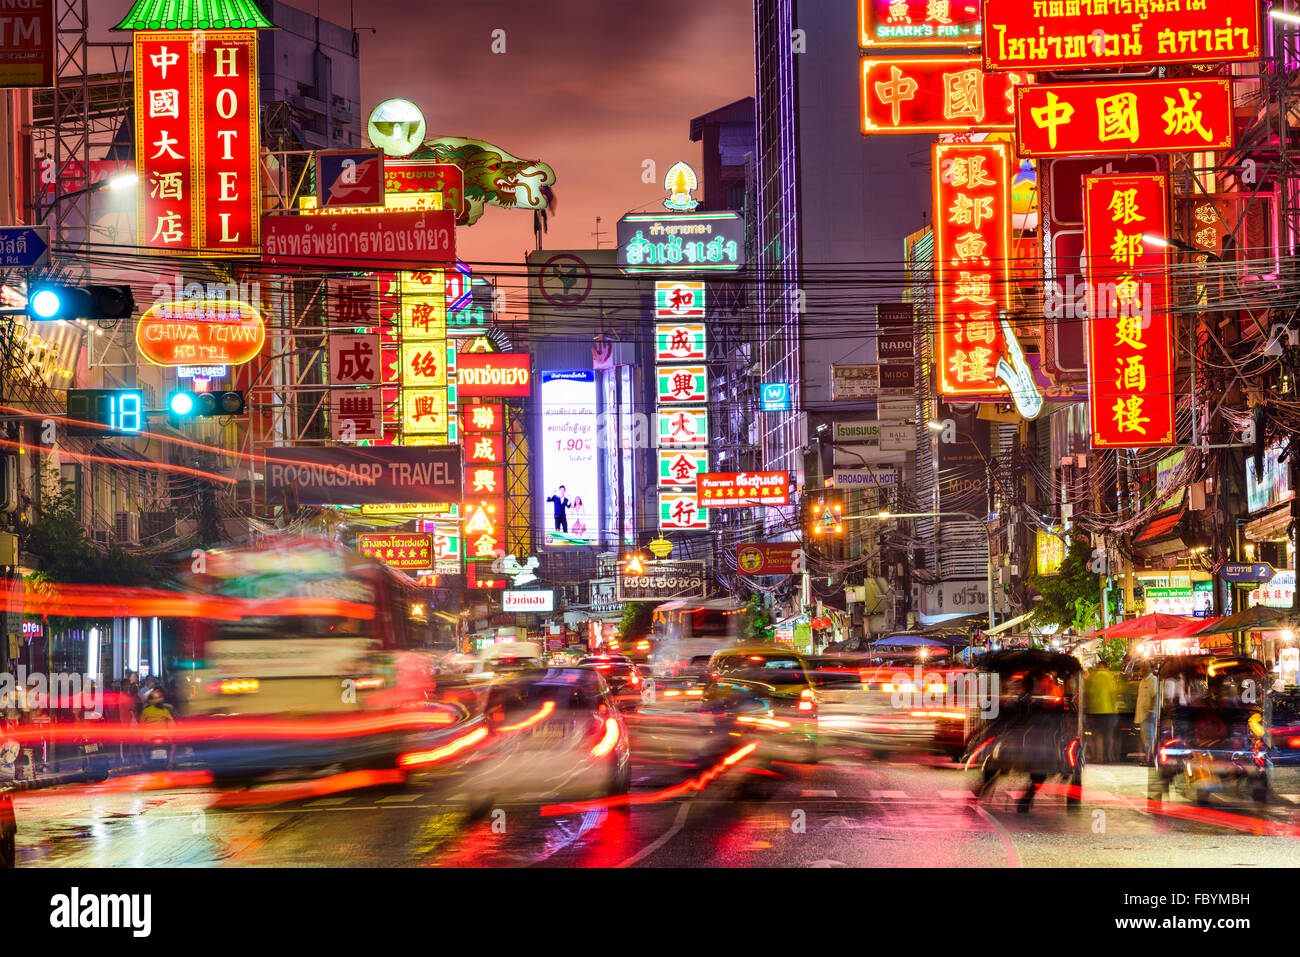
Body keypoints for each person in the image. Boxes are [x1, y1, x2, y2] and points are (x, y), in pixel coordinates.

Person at [1083, 664, 1119, 763]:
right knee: (1109, 734)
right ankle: (1110, 756)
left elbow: (1086, 694)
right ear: (1104, 667)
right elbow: (1113, 693)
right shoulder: (1109, 676)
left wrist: (1086, 708)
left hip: (1095, 709)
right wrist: (1114, 708)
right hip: (1109, 710)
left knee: (1098, 734)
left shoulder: (1091, 677)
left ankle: (1100, 757)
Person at [1134, 660, 1158, 765]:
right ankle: (1148, 759)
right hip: (1142, 715)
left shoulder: (1153, 680)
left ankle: (1151, 760)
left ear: (1151, 669)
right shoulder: (1143, 681)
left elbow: (1154, 696)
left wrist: (1151, 711)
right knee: (1145, 738)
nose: (1143, 669)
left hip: (1148, 715)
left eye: (1145, 667)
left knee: (1149, 737)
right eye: (1142, 667)